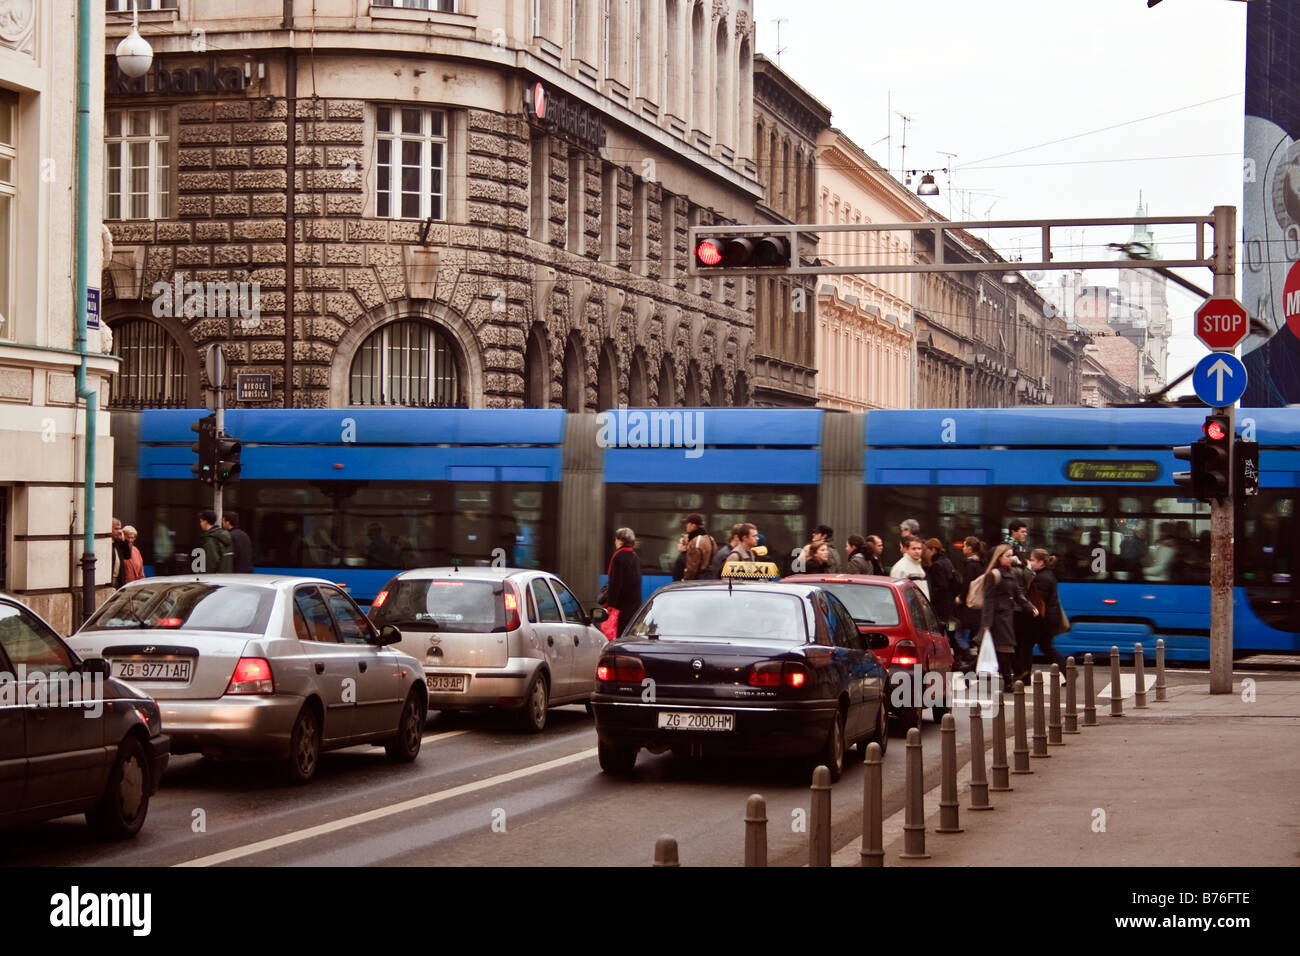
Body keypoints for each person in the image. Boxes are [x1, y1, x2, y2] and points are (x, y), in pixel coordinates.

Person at [979, 543, 1039, 691]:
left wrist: (1030, 607)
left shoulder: (1011, 573)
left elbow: (1018, 594)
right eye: (1007, 556)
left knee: (1000, 649)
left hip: (1007, 616)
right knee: (1004, 649)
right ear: (999, 558)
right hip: (997, 618)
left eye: (1011, 555)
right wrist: (986, 623)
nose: (1010, 558)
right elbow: (988, 599)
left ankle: (1009, 677)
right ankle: (1009, 681)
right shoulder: (994, 575)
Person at [1030, 548, 1070, 673]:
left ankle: (1069, 672)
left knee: (1042, 647)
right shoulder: (1046, 574)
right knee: (1046, 647)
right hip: (1049, 618)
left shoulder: (1042, 578)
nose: (1030, 563)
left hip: (1045, 619)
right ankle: (1069, 672)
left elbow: (1039, 600)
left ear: (1041, 562)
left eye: (1032, 560)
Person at [955, 536, 987, 666]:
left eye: (964, 546)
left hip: (969, 605)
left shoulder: (970, 565)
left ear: (969, 547)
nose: (963, 548)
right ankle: (973, 656)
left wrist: (960, 599)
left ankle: (967, 655)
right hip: (979, 605)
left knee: (957, 632)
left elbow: (966, 585)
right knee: (973, 633)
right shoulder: (981, 564)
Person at [605, 528, 642, 637]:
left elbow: (615, 583)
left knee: (620, 634)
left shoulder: (618, 557)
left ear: (620, 541)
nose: (615, 542)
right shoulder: (635, 556)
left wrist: (611, 604)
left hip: (622, 606)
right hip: (634, 604)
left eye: (616, 539)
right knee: (629, 634)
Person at [923, 537, 958, 645]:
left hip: (940, 606)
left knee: (942, 631)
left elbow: (939, 586)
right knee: (951, 630)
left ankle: (956, 652)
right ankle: (956, 653)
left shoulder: (937, 565)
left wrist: (930, 598)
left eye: (926, 550)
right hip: (950, 604)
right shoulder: (947, 561)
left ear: (932, 549)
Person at [682, 513, 716, 580]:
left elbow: (692, 567)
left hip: (698, 579)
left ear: (693, 525)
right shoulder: (710, 539)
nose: (686, 526)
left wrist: (685, 580)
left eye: (687, 524)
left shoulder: (695, 541)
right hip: (710, 577)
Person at [111, 517, 132, 588]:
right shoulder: (106, 543)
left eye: (120, 528)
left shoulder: (118, 543)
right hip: (109, 580)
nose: (119, 531)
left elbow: (127, 556)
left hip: (118, 580)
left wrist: (124, 541)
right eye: (116, 529)